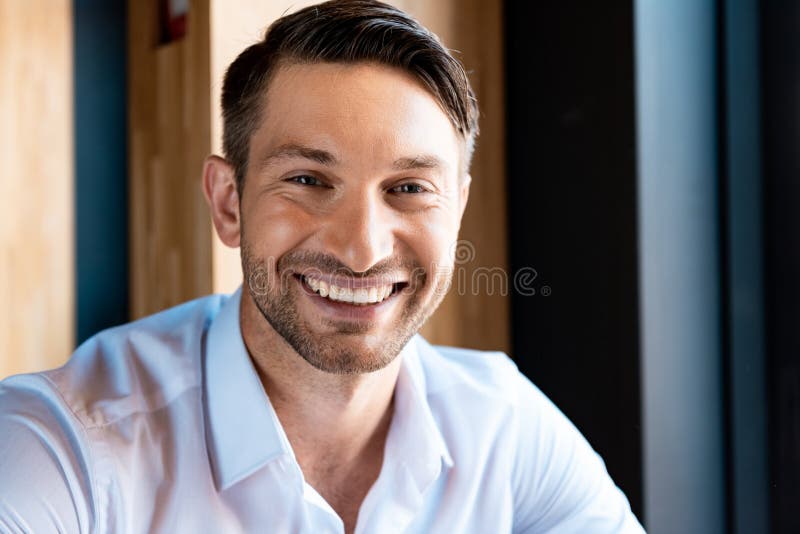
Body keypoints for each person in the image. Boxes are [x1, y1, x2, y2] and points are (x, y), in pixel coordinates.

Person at [0, 1, 644, 532]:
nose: (362, 249)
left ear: (458, 211)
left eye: (410, 188)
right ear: (229, 203)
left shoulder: (507, 429)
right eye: (308, 178)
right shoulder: (61, 450)